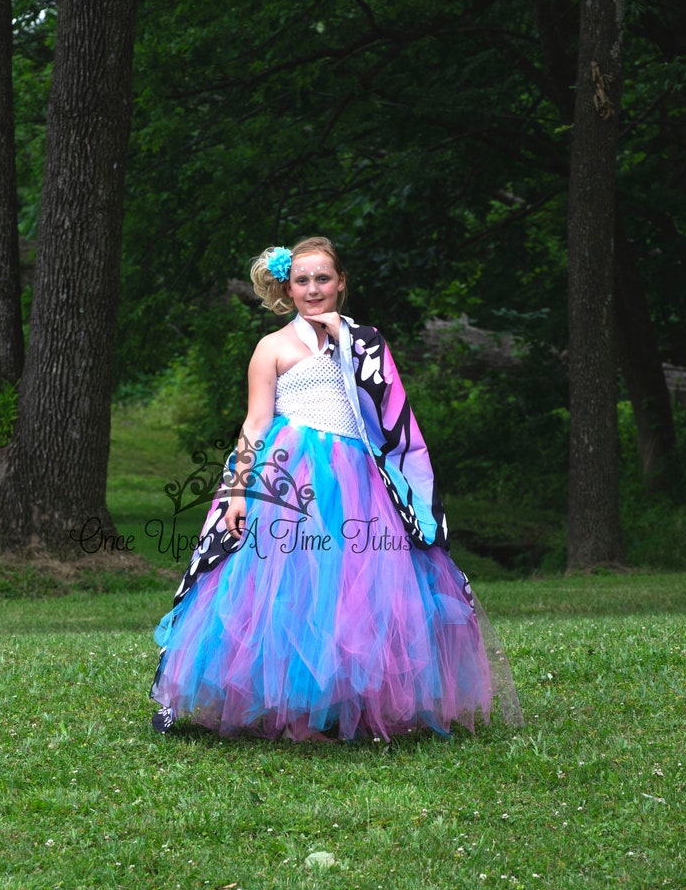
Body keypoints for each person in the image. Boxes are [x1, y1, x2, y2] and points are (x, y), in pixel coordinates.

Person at [150, 237, 521, 741]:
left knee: (358, 593)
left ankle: (342, 704)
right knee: (285, 588)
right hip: (291, 475)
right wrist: (237, 491)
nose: (313, 288)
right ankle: (273, 702)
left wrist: (345, 343)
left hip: (360, 480)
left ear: (341, 282)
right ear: (288, 286)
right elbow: (256, 423)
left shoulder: (366, 342)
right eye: (302, 280)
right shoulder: (273, 347)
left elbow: (390, 417)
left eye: (323, 278)